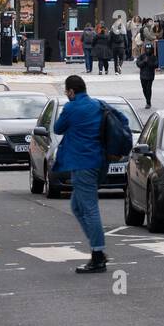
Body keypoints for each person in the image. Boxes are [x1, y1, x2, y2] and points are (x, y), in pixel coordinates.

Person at [52, 75, 108, 274]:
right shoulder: (99, 106)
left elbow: (57, 128)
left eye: (67, 91)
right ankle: (97, 247)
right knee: (76, 206)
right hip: (97, 162)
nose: (66, 95)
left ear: (71, 92)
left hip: (83, 163)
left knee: (90, 209)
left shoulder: (71, 108)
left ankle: (98, 254)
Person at [136, 39, 158, 109]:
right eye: (147, 49)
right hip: (143, 75)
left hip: (150, 76)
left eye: (149, 49)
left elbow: (156, 65)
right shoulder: (142, 56)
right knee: (144, 89)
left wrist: (149, 62)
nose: (148, 50)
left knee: (149, 88)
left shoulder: (154, 57)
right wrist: (144, 62)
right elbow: (138, 64)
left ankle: (148, 102)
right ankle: (147, 99)